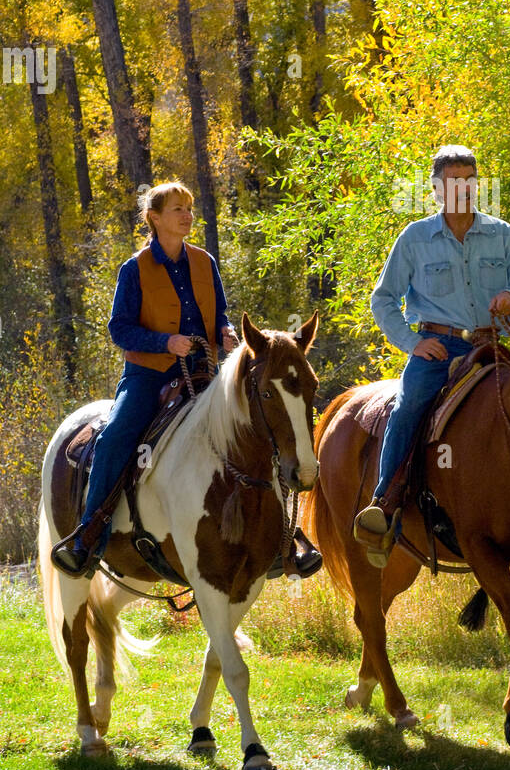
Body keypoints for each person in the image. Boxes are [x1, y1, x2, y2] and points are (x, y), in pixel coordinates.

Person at [51, 181, 321, 580]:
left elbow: (220, 314)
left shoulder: (204, 262)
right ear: (154, 218)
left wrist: (225, 334)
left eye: (190, 208)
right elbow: (119, 329)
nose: (187, 215)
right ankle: (89, 534)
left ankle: (284, 538)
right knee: (116, 435)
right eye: (177, 208)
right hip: (148, 377)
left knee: (259, 430)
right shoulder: (135, 269)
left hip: (204, 374)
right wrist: (165, 342)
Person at [353, 146, 510, 565]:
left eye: (470, 180)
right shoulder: (415, 239)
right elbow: (383, 299)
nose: (463, 189)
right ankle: (386, 503)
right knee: (409, 406)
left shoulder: (504, 235)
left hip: (491, 346)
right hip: (437, 350)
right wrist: (411, 342)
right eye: (454, 182)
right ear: (436, 190)